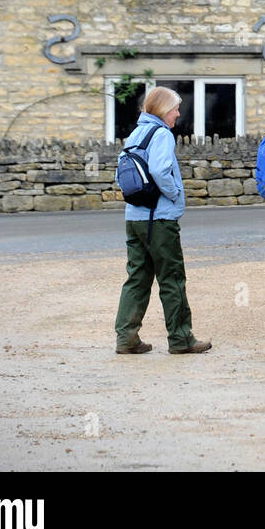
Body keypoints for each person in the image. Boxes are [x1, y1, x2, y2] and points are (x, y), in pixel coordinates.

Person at [114, 86, 211, 356]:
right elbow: (158, 169)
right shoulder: (162, 134)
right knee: (172, 278)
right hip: (159, 219)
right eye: (175, 109)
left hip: (134, 216)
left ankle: (126, 338)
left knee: (137, 278)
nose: (178, 114)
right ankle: (181, 339)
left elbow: (120, 174)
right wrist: (174, 193)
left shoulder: (136, 133)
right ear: (163, 110)